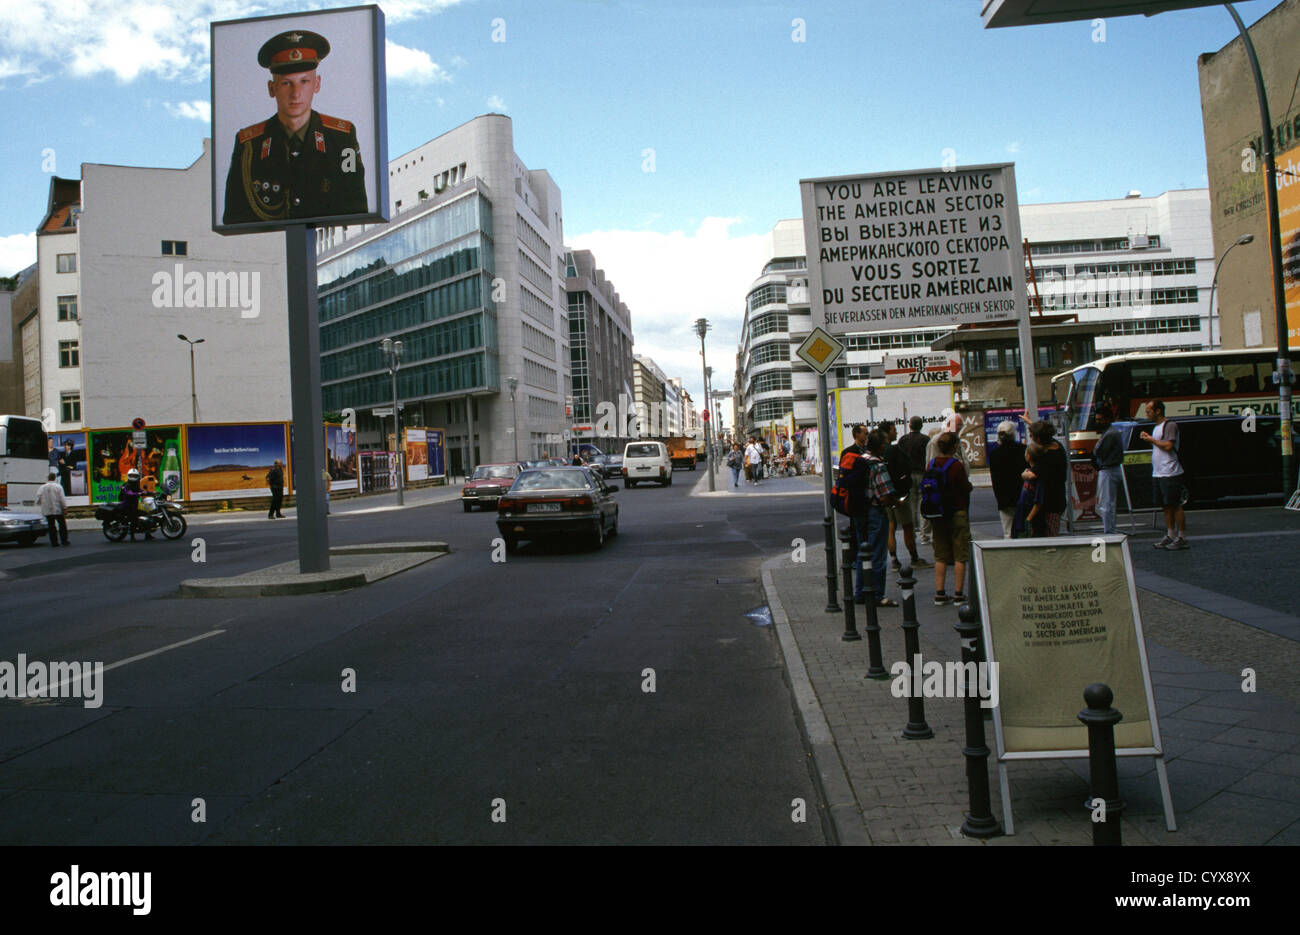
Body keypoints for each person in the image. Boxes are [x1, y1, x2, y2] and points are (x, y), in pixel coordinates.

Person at [223, 29, 367, 225]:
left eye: (304, 82)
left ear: (317, 84)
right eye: (286, 83)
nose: (296, 93)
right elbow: (234, 217)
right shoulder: (249, 145)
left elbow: (355, 205)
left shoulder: (341, 139)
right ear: (271, 89)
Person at [927, 432, 973, 606]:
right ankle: (958, 593)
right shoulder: (956, 466)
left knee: (940, 555)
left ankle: (940, 592)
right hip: (956, 512)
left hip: (937, 514)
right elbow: (965, 487)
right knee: (960, 555)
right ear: (954, 447)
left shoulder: (931, 464)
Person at [1140, 400, 1188, 549]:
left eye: (1149, 411)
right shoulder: (1156, 427)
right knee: (1166, 505)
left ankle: (1181, 537)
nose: (1146, 414)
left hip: (1170, 471)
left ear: (1158, 411)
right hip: (1159, 472)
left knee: (1175, 504)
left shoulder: (1170, 425)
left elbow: (1168, 445)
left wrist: (1150, 439)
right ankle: (1170, 534)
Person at [882, 421, 926, 568]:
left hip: (885, 494)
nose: (896, 433)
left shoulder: (879, 450)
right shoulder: (894, 450)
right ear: (887, 433)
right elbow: (904, 469)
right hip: (898, 494)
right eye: (894, 430)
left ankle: (894, 560)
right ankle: (914, 558)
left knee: (890, 526)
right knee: (907, 526)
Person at [1021, 420, 1067, 536]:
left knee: (1050, 537)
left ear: (1039, 439)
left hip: (1051, 504)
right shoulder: (1055, 445)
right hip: (1056, 501)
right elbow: (1043, 432)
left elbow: (1031, 475)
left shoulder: (1047, 458)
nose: (1031, 438)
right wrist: (1030, 423)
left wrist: (1024, 474)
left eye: (1032, 436)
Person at [988, 420, 1026, 539]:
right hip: (1022, 494)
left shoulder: (994, 454)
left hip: (1004, 497)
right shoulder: (1023, 450)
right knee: (1023, 529)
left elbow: (995, 479)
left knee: (1008, 531)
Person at [898, 416, 930, 545]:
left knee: (911, 504)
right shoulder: (926, 440)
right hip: (922, 473)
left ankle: (912, 532)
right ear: (921, 426)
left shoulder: (904, 440)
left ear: (910, 426)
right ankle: (924, 534)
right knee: (924, 503)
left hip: (909, 474)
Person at [1093, 405, 1124, 535]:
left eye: (1100, 419)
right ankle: (1110, 529)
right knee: (1108, 502)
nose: (1098, 422)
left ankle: (1109, 531)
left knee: (1106, 503)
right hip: (1109, 469)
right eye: (1097, 419)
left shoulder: (1110, 434)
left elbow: (1099, 452)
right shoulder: (1109, 432)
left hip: (1108, 469)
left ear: (1107, 419)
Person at [116, 469, 152, 541]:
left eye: (134, 476)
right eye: (131, 475)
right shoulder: (126, 485)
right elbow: (129, 493)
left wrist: (148, 492)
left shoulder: (135, 484)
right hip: (127, 506)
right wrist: (138, 494)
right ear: (128, 476)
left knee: (146, 515)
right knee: (134, 518)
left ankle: (148, 534)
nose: (133, 477)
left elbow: (139, 490)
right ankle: (132, 536)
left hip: (134, 504)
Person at [36, 472, 70, 547]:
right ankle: (64, 540)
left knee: (51, 526)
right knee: (62, 525)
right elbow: (62, 498)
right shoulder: (58, 487)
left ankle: (54, 542)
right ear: (55, 478)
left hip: (47, 509)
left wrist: (42, 503)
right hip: (58, 509)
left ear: (48, 478)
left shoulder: (42, 487)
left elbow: (38, 499)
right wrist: (65, 508)